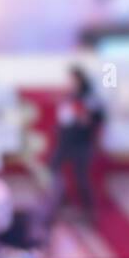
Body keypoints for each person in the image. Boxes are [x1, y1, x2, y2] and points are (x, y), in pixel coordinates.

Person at [47, 66, 106, 218]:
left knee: (81, 178)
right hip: (65, 140)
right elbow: (65, 117)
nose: (69, 82)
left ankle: (89, 210)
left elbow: (99, 118)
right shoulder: (70, 96)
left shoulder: (90, 98)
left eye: (72, 79)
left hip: (81, 142)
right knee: (53, 167)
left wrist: (88, 120)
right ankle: (60, 199)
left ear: (79, 79)